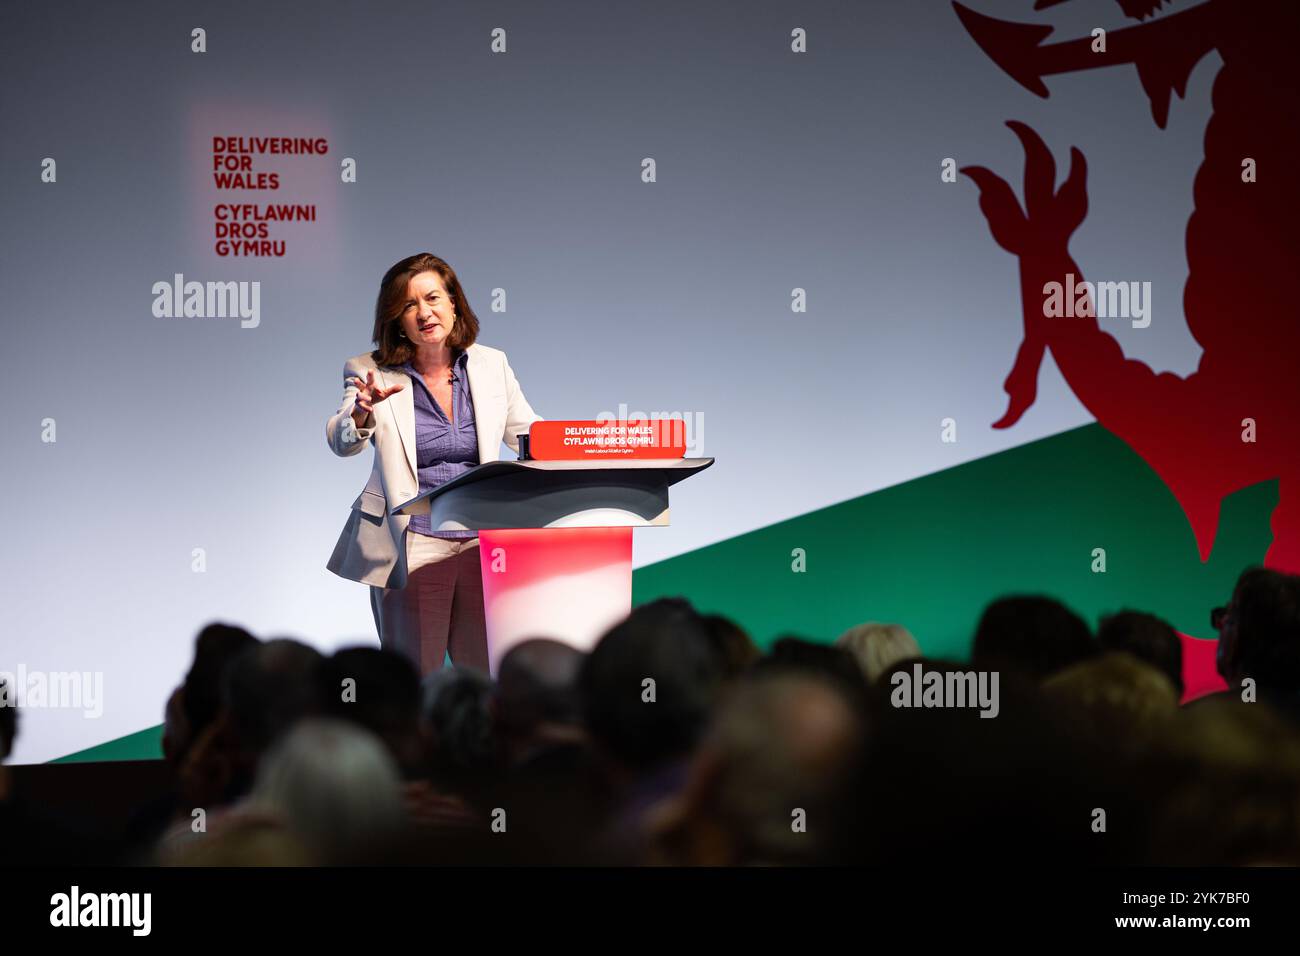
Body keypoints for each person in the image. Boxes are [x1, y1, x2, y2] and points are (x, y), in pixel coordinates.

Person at [326, 253, 544, 675]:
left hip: (483, 543)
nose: (424, 313)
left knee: (482, 680)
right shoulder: (370, 371)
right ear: (396, 320)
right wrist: (361, 414)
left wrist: (591, 444)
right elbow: (341, 441)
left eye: (432, 298)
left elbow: (529, 434)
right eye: (409, 306)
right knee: (414, 680)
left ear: (454, 304)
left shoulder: (490, 364)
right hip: (413, 542)